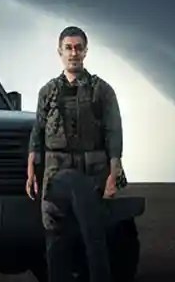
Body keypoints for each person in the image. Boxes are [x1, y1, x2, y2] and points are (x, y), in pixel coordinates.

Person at [26, 26, 126, 238]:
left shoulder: (102, 91)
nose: (74, 53)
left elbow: (114, 132)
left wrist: (114, 173)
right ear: (59, 51)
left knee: (94, 232)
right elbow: (38, 131)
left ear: (85, 51)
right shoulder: (48, 91)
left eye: (79, 48)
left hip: (92, 169)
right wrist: (31, 171)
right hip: (56, 168)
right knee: (55, 229)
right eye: (69, 48)